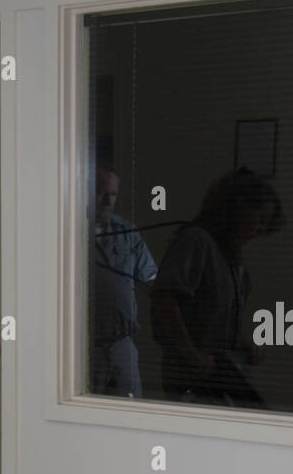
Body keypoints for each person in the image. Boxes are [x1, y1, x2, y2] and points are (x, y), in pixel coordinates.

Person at [151, 168, 283, 406]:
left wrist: (245, 343)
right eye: (259, 219)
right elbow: (164, 299)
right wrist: (192, 355)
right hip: (193, 371)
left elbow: (214, 318)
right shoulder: (197, 241)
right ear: (238, 208)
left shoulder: (230, 258)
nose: (260, 229)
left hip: (219, 365)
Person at [90, 164, 158, 398]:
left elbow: (151, 279)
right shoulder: (67, 232)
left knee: (130, 414)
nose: (107, 201)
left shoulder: (127, 232)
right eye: (100, 192)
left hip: (122, 345)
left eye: (112, 194)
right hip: (86, 347)